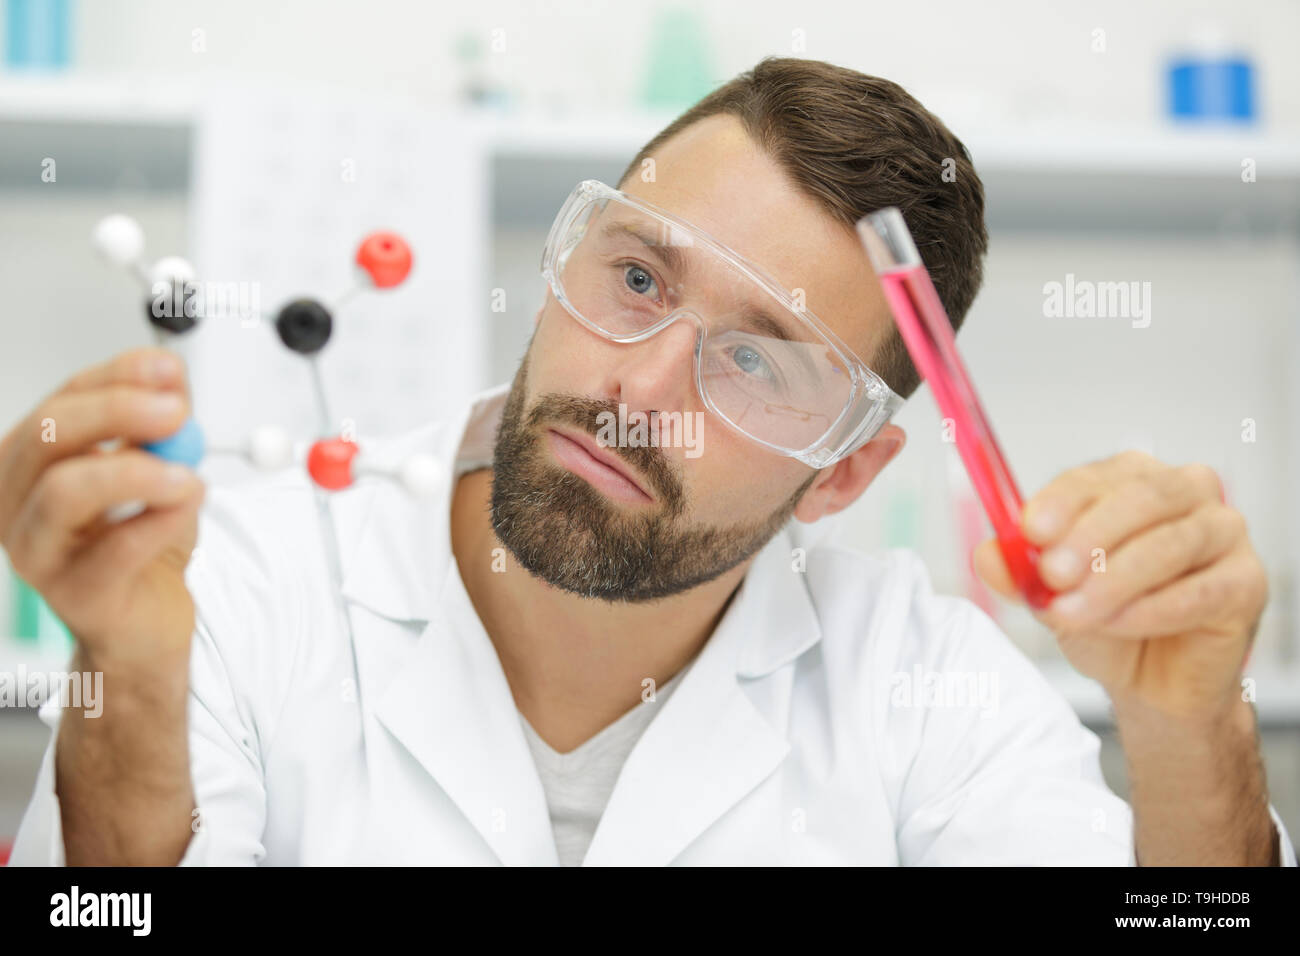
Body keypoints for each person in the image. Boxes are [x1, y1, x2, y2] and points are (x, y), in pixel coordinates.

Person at [3, 57, 1293, 866]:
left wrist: (1189, 729)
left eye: (762, 361)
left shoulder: (924, 690)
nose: (638, 386)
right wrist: (123, 675)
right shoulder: (231, 584)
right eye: (634, 277)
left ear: (843, 473)